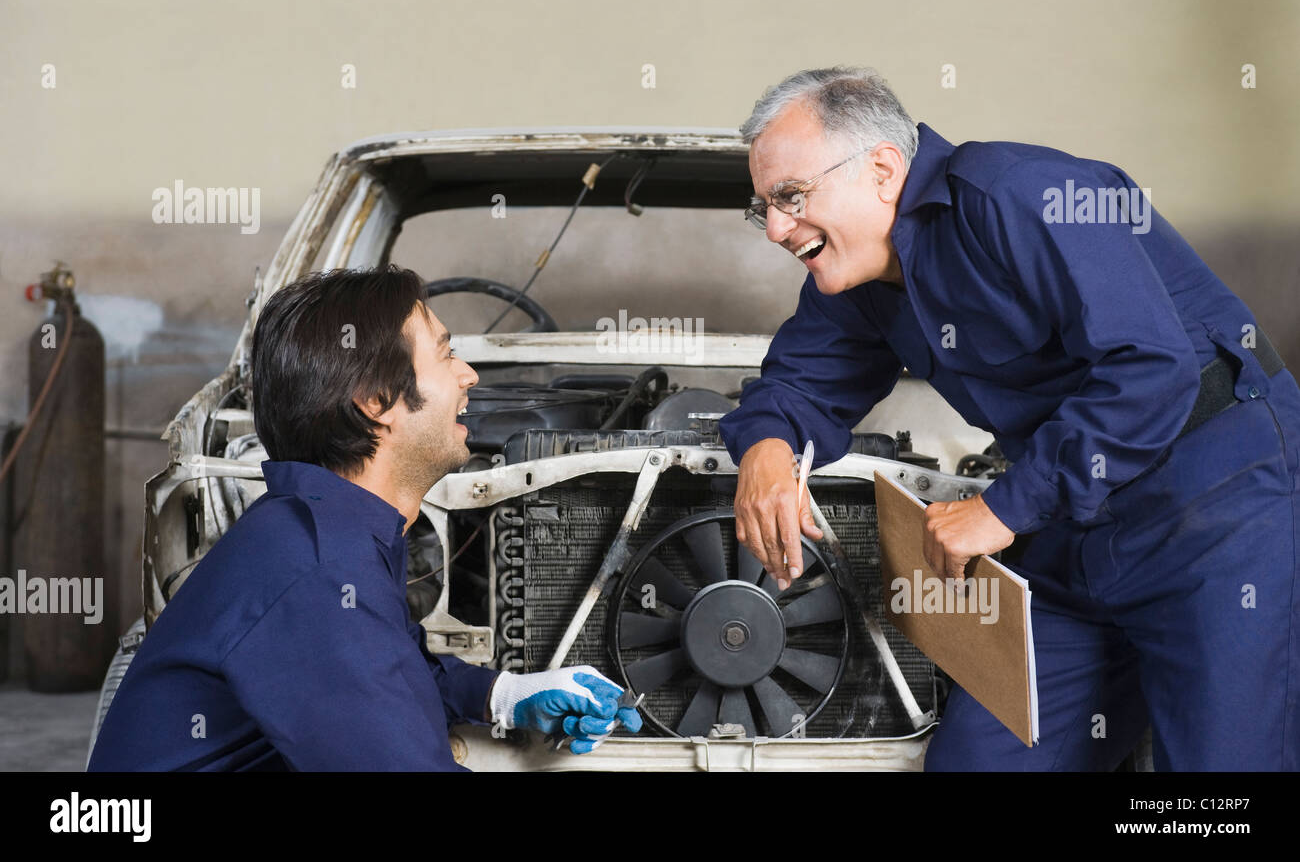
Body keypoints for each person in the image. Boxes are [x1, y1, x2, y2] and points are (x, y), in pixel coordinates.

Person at [720, 66, 1299, 771]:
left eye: (790, 196)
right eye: (764, 208)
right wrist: (766, 450)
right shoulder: (858, 278)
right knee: (980, 762)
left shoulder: (1022, 193)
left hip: (1219, 510)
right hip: (1074, 537)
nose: (776, 229)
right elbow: (801, 380)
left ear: (881, 168)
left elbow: (1151, 368)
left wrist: (1004, 506)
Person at [90, 266, 640, 771]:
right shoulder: (317, 571)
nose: (469, 375)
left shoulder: (324, 528)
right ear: (376, 400)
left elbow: (387, 673)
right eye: (447, 356)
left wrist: (504, 696)